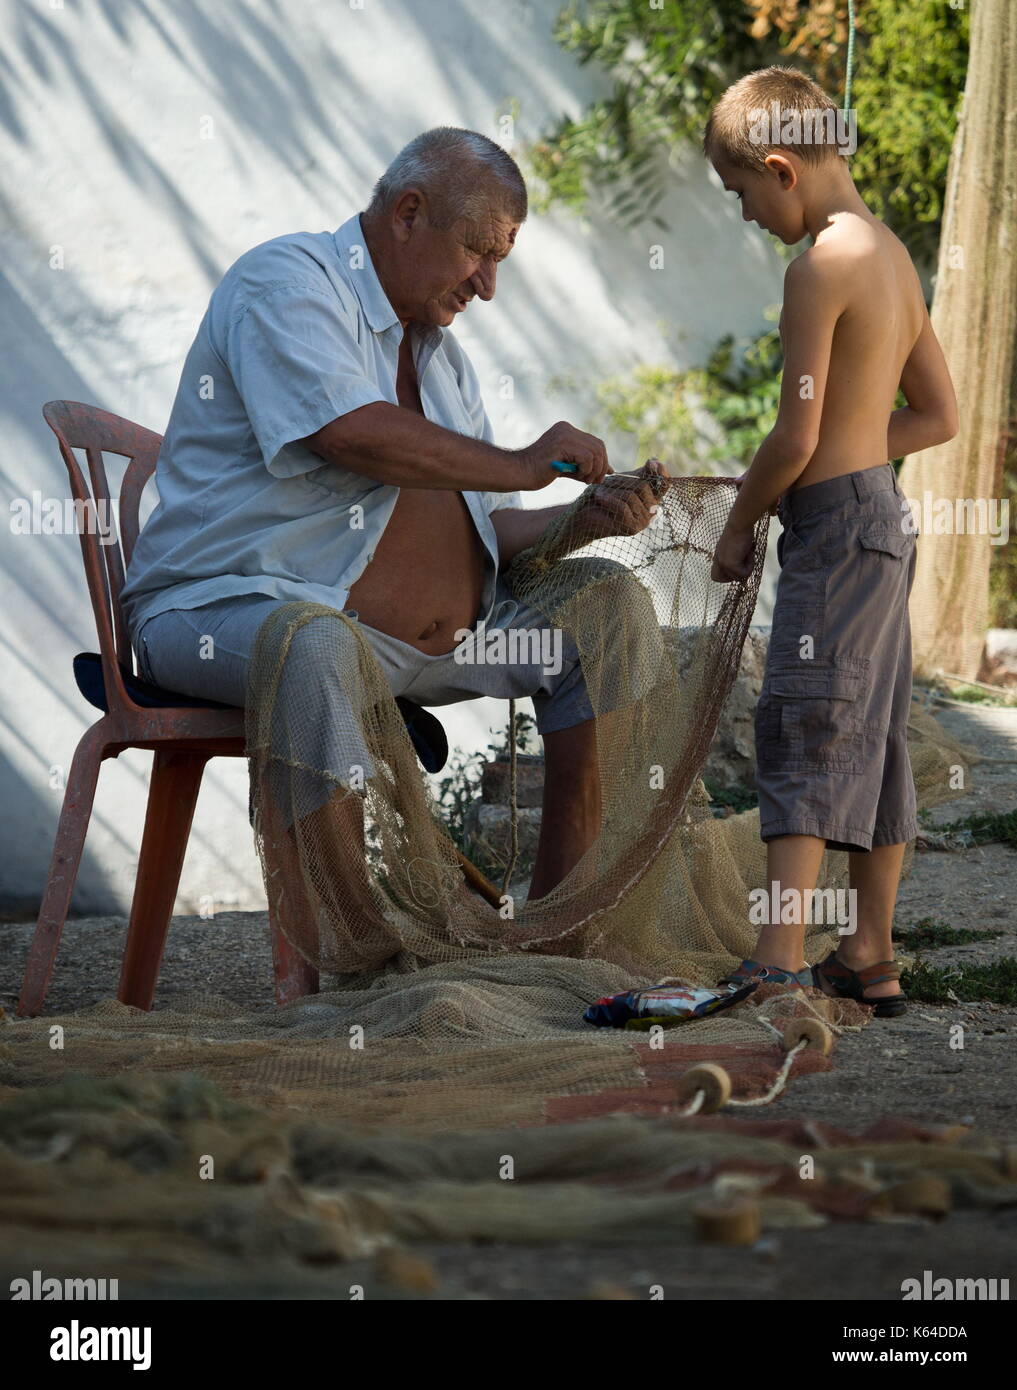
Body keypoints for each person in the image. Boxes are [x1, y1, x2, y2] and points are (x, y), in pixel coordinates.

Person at [121, 126, 665, 906]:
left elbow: (488, 535)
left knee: (605, 608)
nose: (486, 287)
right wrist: (521, 461)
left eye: (500, 262)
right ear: (409, 213)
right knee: (312, 644)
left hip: (438, 649)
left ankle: (565, 922)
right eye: (477, 252)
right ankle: (351, 947)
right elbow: (350, 435)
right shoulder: (287, 281)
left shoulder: (447, 364)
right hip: (214, 616)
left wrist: (582, 519)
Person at [705, 68, 958, 1016]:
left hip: (835, 533)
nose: (744, 214)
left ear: (780, 169)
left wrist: (740, 521)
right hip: (882, 520)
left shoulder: (817, 268)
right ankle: (866, 954)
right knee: (873, 734)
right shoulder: (891, 256)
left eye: (740, 193)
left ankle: (777, 956)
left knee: (806, 722)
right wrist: (852, 443)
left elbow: (794, 437)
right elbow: (936, 416)